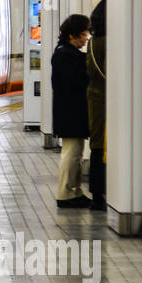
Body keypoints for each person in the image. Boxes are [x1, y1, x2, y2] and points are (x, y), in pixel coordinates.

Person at [51, 13, 91, 208]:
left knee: (76, 152)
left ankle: (74, 190)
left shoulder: (64, 52)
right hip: (70, 113)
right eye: (83, 34)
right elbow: (77, 81)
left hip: (69, 112)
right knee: (71, 152)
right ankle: (65, 193)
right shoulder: (66, 55)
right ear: (72, 35)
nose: (86, 38)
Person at [86, 0, 107, 211]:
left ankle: (96, 194)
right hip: (108, 101)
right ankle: (101, 194)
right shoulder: (109, 43)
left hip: (94, 99)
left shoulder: (92, 43)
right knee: (104, 147)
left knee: (96, 146)